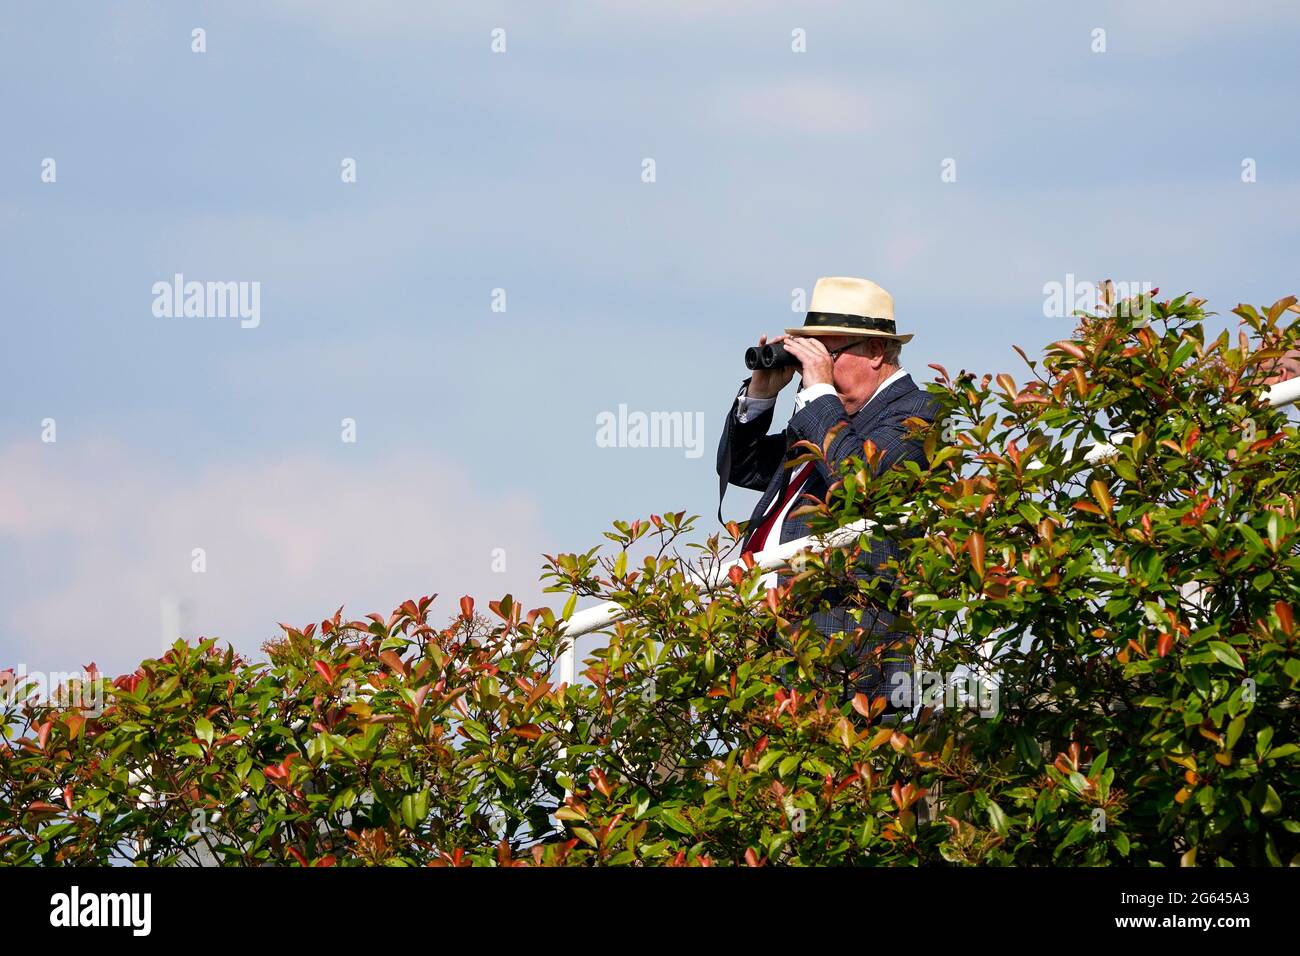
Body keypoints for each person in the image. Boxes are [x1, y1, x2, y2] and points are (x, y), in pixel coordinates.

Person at [716, 276, 938, 708]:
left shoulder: (920, 413)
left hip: (852, 657)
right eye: (807, 354)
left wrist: (818, 391)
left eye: (826, 353)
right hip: (778, 655)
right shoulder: (829, 420)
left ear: (875, 352)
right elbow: (743, 467)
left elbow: (862, 486)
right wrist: (761, 395)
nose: (812, 367)